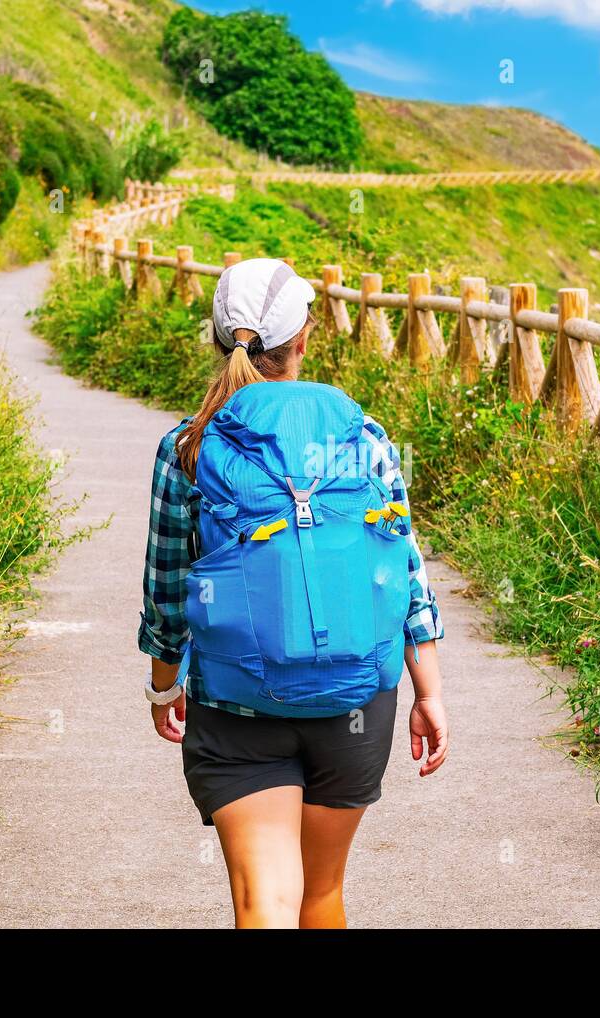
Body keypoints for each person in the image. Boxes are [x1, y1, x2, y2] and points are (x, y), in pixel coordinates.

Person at [139, 258, 448, 929]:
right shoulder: (363, 438)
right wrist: (430, 694)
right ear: (305, 340)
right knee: (321, 895)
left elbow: (168, 597)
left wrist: (165, 687)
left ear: (219, 341)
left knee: (266, 902)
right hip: (355, 704)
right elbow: (405, 573)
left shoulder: (186, 448)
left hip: (236, 703)